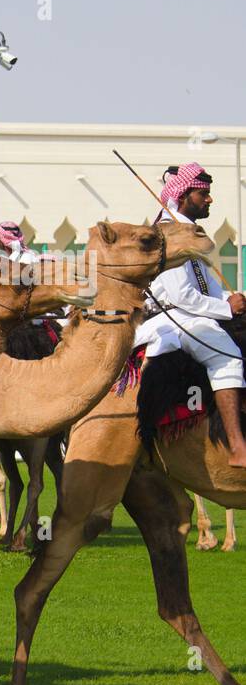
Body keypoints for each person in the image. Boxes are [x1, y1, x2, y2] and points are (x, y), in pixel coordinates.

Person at [135, 162, 246, 467]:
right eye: (203, 194)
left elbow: (209, 290)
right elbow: (181, 296)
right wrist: (225, 309)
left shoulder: (190, 233)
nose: (209, 199)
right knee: (228, 357)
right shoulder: (167, 235)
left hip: (193, 315)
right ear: (184, 196)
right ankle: (237, 446)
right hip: (173, 320)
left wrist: (231, 301)